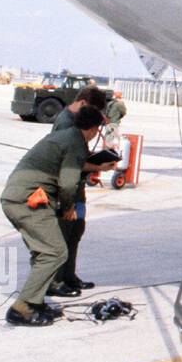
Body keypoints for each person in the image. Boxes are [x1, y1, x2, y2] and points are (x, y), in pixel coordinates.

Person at [0, 105, 105, 326]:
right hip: (28, 200)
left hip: (18, 197)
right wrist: (68, 208)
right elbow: (67, 183)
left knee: (44, 252)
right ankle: (22, 308)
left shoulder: (65, 135)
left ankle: (35, 303)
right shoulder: (75, 142)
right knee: (55, 252)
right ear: (94, 129)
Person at [50, 84, 110, 294]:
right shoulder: (66, 124)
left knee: (75, 232)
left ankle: (69, 276)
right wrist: (98, 166)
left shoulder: (74, 121)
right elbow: (67, 162)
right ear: (83, 103)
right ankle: (56, 281)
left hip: (78, 187)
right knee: (64, 234)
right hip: (68, 188)